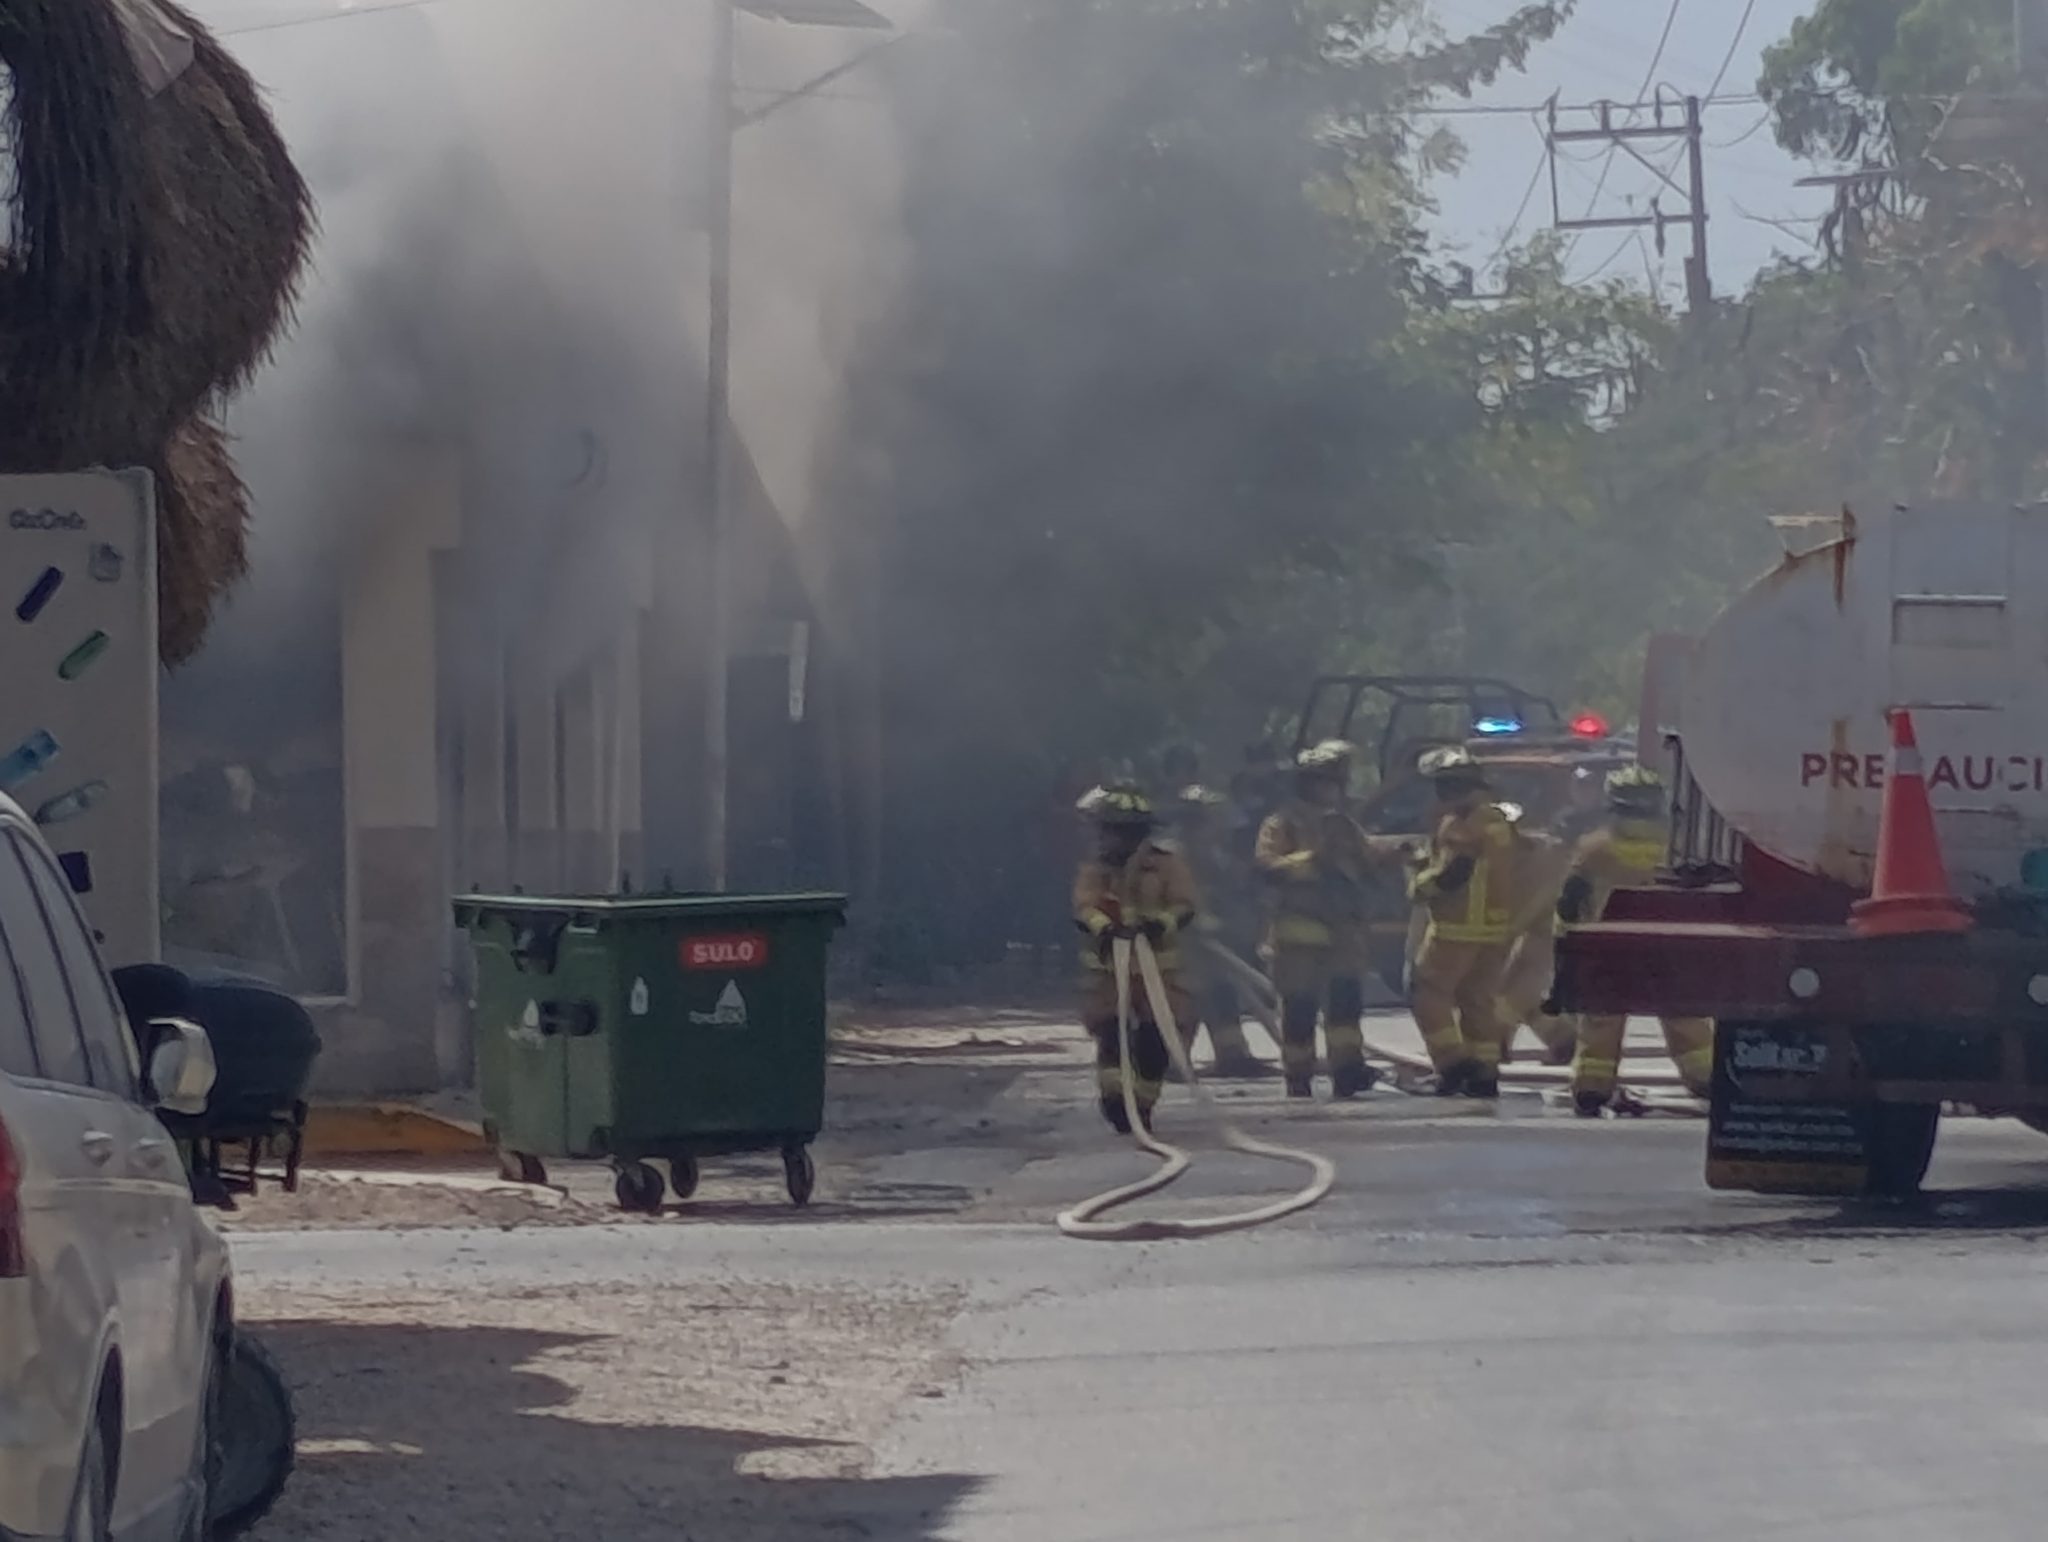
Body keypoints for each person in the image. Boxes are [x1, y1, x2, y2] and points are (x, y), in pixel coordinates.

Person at [1559, 766, 1714, 1115]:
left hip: (1607, 951)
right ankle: (1706, 1078)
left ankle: (1592, 1088)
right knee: (1685, 1018)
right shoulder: (1679, 848)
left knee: (1601, 1023)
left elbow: (1570, 901)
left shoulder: (1594, 848)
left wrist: (1566, 942)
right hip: (1670, 951)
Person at [1254, 741, 1384, 1100]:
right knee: (1299, 1007)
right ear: (1308, 783)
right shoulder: (1281, 823)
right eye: (1326, 782)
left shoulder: (1344, 824)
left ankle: (1347, 1071)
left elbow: (1368, 859)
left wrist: (1396, 854)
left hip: (1343, 930)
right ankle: (1298, 1077)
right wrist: (1313, 859)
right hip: (1298, 931)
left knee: (1345, 1005)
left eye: (1336, 783)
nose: (1332, 790)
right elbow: (1267, 866)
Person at [1072, 783, 1199, 1133]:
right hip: (1110, 973)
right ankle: (1115, 1100)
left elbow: (1186, 905)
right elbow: (1084, 906)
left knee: (1155, 1042)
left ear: (1130, 832)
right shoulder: (1096, 869)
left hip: (1160, 973)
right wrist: (1105, 928)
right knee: (1111, 1037)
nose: (1103, 839)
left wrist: (1159, 923)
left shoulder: (1166, 865)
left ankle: (1142, 1104)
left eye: (1109, 830)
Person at [1407, 747, 1519, 1098]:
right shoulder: (1497, 819)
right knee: (1477, 999)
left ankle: (1451, 1064)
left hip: (1457, 926)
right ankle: (1484, 1073)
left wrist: (1421, 885)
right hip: (1494, 929)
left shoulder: (1461, 822)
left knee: (1427, 990)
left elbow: (1457, 872)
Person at [1162, 780, 1270, 1078]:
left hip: (1211, 943)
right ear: (1199, 822)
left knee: (1220, 992)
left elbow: (1231, 890)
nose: (1221, 830)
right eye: (1216, 823)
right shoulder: (1169, 854)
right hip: (1178, 942)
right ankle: (1172, 1060)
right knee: (1186, 995)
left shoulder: (1213, 853)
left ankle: (1232, 1054)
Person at [1494, 805, 1578, 1066]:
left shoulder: (1545, 854)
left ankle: (1496, 1042)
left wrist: (1512, 930)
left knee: (1509, 992)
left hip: (1544, 934)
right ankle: (1562, 1039)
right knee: (1522, 995)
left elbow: (1543, 897)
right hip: (1531, 933)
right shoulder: (1506, 853)